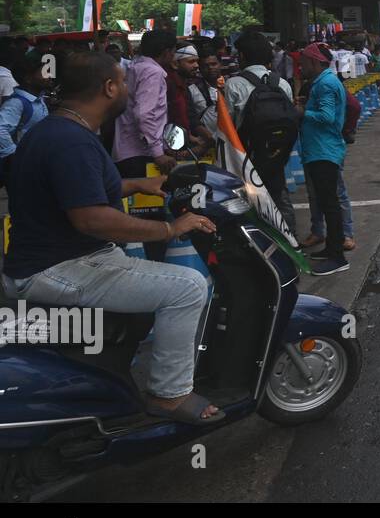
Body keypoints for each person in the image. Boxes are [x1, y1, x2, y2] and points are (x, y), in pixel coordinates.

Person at [2, 51, 222, 424]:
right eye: (122, 83)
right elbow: (92, 218)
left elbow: (78, 189)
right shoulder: (71, 141)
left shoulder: (59, 130)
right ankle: (169, 395)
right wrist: (170, 229)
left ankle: (116, 379)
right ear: (108, 88)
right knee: (186, 287)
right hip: (57, 268)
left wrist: (137, 183)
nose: (126, 90)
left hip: (63, 259)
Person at [224, 31, 298, 236]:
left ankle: (256, 238)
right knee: (278, 194)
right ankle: (290, 238)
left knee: (247, 199)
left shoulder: (234, 84)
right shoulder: (281, 83)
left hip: (245, 155)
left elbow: (228, 124)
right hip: (277, 153)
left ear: (243, 56)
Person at [297, 43, 349, 275]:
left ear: (316, 62)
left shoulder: (326, 84)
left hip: (324, 151)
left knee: (330, 204)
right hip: (320, 150)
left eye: (304, 62)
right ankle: (331, 247)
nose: (301, 67)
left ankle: (337, 256)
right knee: (326, 202)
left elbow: (327, 117)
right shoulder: (323, 82)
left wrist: (302, 113)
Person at [112, 28, 176, 179]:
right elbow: (144, 113)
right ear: (166, 52)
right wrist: (158, 153)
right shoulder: (152, 72)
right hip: (140, 154)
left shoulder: (135, 66)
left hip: (126, 150)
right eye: (173, 51)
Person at [0, 51, 50, 176]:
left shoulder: (38, 99)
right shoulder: (17, 103)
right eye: (43, 73)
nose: (48, 76)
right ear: (28, 79)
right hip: (22, 166)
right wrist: (14, 154)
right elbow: (1, 129)